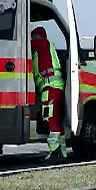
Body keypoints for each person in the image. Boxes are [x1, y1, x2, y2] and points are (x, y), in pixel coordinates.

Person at [30, 27, 68, 161]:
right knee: (57, 120)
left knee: (51, 119)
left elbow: (25, 44)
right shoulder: (45, 49)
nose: (33, 39)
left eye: (34, 36)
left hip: (50, 88)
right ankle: (62, 153)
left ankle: (54, 151)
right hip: (55, 88)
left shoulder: (43, 44)